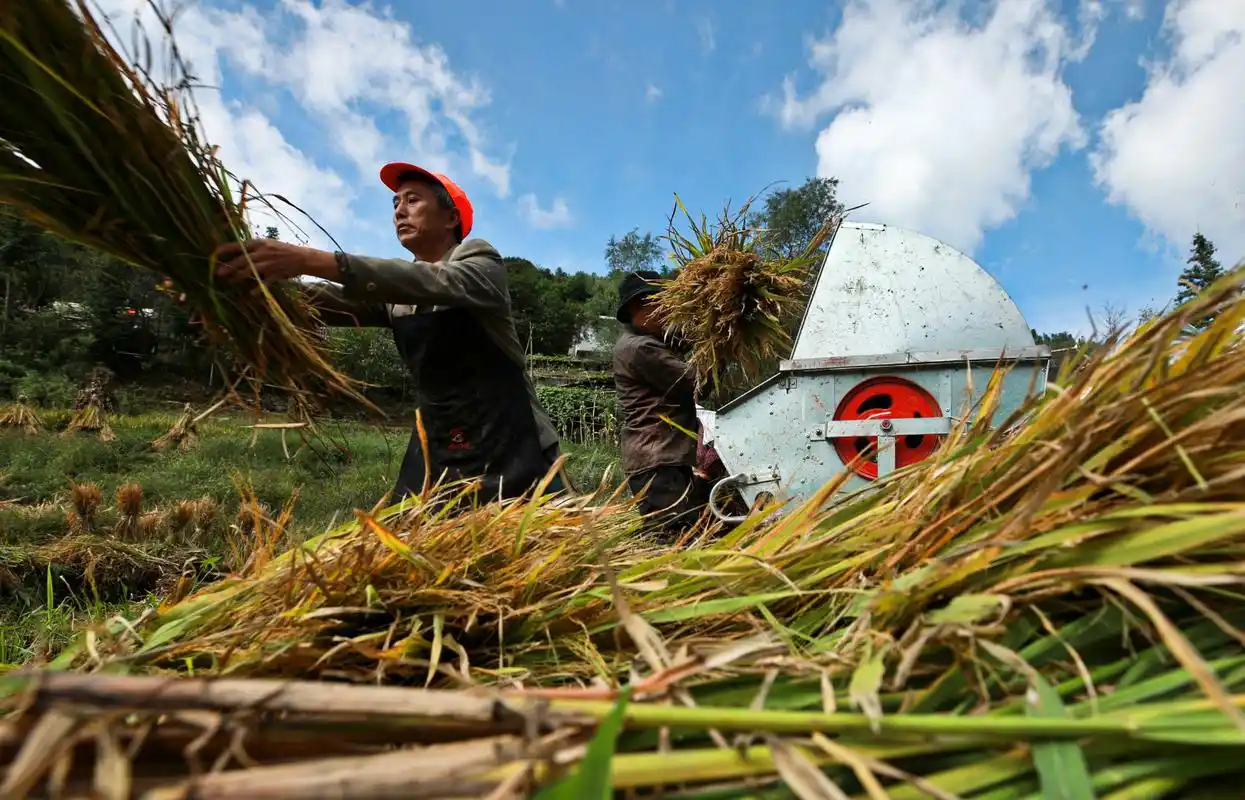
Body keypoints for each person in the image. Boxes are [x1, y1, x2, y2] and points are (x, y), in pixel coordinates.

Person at [209, 162, 564, 506]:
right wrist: (243, 287)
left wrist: (309, 259)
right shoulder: (395, 299)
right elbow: (328, 301)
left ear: (451, 217)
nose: (399, 211)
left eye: (412, 200)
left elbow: (436, 281)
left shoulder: (479, 260)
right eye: (395, 203)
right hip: (439, 442)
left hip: (509, 443)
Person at [613, 270, 709, 538]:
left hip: (663, 460)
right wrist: (721, 344)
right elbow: (697, 383)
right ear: (637, 307)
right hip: (656, 461)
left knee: (683, 532)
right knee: (676, 539)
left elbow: (684, 340)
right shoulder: (640, 348)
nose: (669, 313)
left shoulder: (649, 341)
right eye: (662, 305)